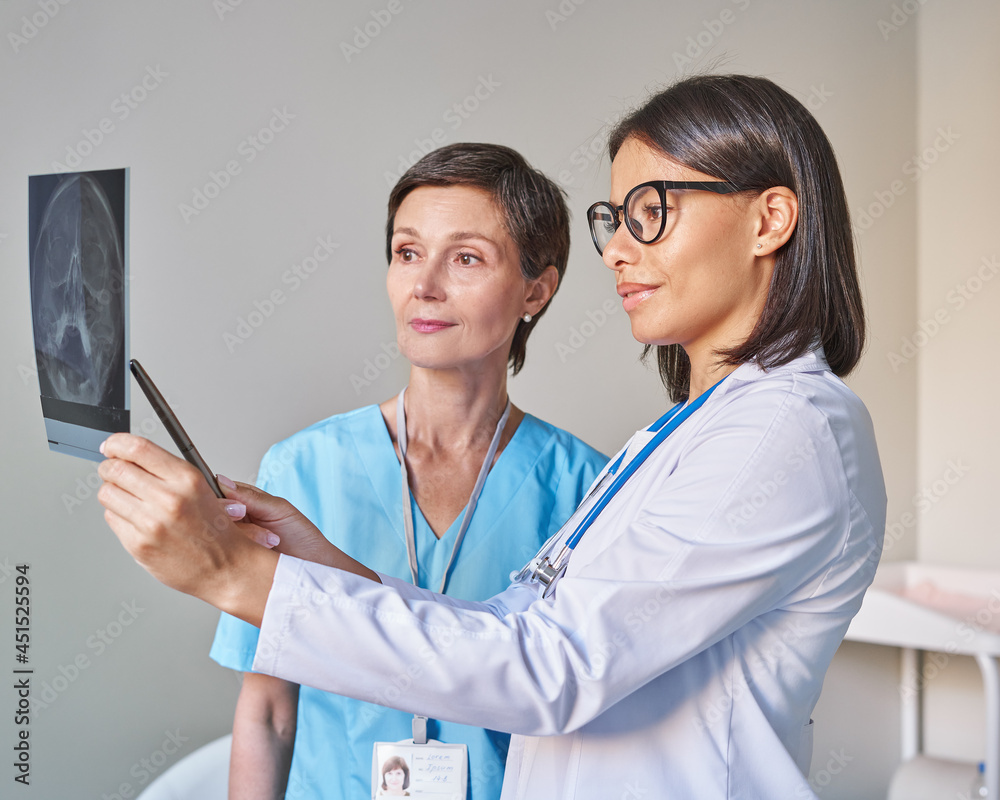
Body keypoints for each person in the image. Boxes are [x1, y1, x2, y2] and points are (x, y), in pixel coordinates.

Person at [98, 74, 888, 799]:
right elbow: (512, 628)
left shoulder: (782, 431)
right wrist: (316, 560)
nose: (616, 248)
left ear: (769, 219)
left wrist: (238, 577)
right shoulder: (686, 435)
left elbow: (549, 668)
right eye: (615, 220)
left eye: (651, 212)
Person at [209, 143, 607, 800]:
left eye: (467, 258)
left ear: (536, 291)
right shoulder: (303, 468)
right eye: (407, 252)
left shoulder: (584, 490)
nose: (424, 285)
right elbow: (270, 713)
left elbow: (584, 726)